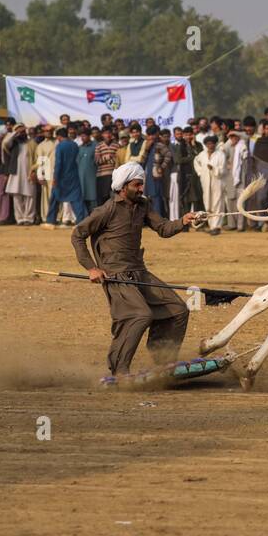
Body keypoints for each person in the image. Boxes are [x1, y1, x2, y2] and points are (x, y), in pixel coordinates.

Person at [72, 162, 198, 378]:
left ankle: (164, 362)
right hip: (115, 275)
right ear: (123, 186)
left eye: (142, 184)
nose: (141, 189)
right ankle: (119, 370)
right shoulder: (107, 209)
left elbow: (164, 229)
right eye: (137, 185)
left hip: (139, 271)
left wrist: (183, 221)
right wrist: (92, 268)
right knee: (139, 315)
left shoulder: (143, 205)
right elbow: (77, 234)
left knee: (178, 309)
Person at [44, 127, 88, 227]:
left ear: (59, 136)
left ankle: (50, 221)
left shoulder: (60, 146)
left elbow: (58, 163)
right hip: (74, 176)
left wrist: (55, 177)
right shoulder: (74, 145)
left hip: (61, 177)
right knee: (76, 200)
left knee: (54, 199)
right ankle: (81, 221)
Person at [193, 134, 225, 234]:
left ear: (215, 144)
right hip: (205, 181)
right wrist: (200, 172)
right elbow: (196, 162)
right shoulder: (202, 154)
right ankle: (212, 226)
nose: (210, 145)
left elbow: (222, 169)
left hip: (217, 181)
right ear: (206, 144)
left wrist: (214, 169)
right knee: (208, 204)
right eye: (208, 144)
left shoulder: (220, 155)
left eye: (212, 143)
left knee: (217, 204)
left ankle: (217, 227)